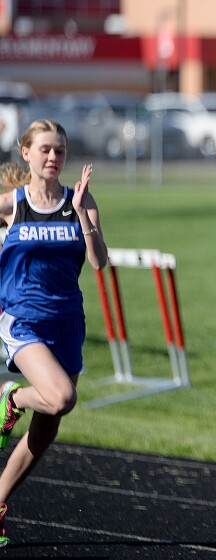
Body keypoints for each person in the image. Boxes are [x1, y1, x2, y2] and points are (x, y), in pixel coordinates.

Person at [0, 118, 107, 547]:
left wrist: (82, 214)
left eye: (59, 151)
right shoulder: (12, 205)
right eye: (44, 149)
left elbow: (99, 261)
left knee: (47, 430)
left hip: (67, 322)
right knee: (61, 397)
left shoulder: (79, 200)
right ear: (26, 153)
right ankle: (12, 397)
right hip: (22, 320)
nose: (52, 157)